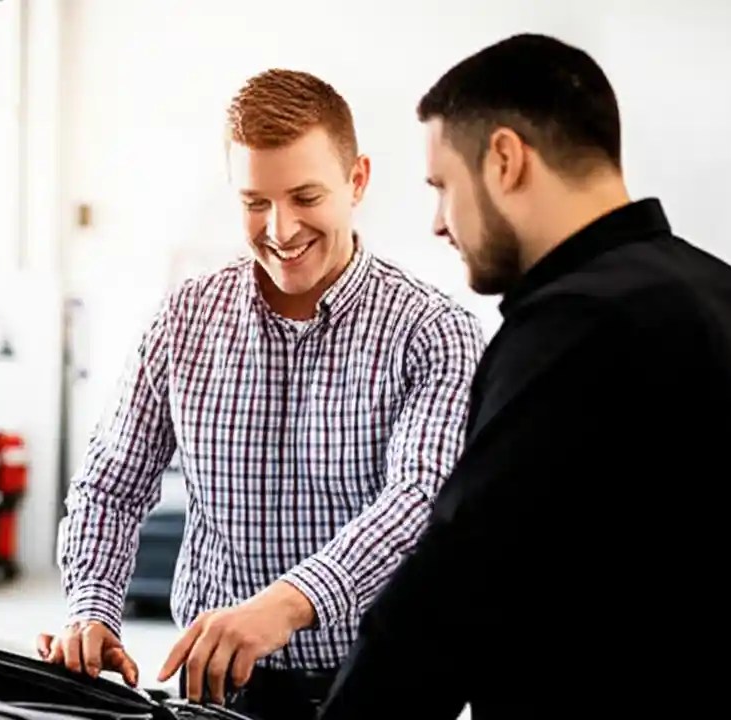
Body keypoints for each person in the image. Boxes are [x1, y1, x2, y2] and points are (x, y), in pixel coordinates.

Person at [318, 33, 731, 719]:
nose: (438, 223)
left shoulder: (574, 324)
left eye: (442, 187)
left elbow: (445, 604)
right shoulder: (726, 293)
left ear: (503, 159)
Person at [38, 69, 484, 719]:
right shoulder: (184, 319)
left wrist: (285, 604)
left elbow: (419, 502)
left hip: (388, 682)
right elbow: (111, 482)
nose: (280, 228)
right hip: (218, 688)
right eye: (255, 202)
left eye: (306, 196)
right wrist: (92, 607)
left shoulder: (435, 332)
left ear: (356, 181)